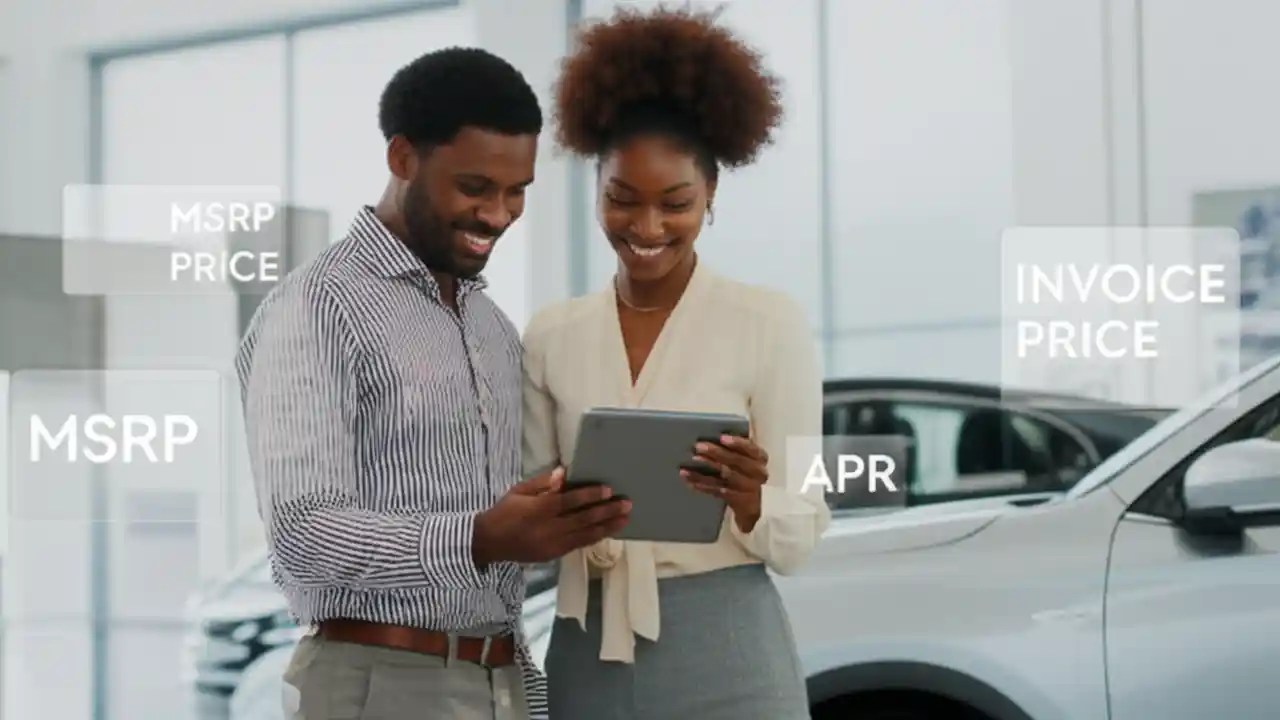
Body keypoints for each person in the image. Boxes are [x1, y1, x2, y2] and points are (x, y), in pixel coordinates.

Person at [235, 47, 631, 720]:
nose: (499, 215)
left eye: (517, 192)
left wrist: (563, 508)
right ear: (402, 159)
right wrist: (482, 537)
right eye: (474, 188)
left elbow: (500, 516)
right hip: (379, 684)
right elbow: (304, 535)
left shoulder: (492, 327)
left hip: (504, 680)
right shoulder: (316, 307)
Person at [521, 8, 830, 719]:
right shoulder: (551, 334)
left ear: (711, 196)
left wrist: (753, 499)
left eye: (676, 203)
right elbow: (526, 510)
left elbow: (804, 527)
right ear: (595, 189)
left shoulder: (769, 323)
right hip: (586, 642)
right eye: (622, 200)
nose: (648, 228)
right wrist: (556, 508)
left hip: (730, 644)